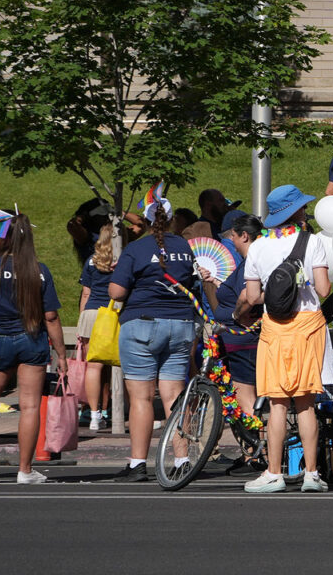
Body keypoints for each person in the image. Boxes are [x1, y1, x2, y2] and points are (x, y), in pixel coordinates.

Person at [238, 185, 332, 494]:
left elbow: (252, 297)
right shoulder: (313, 242)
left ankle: (274, 473)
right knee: (305, 404)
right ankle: (311, 473)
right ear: (297, 212)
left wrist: (276, 294)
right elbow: (323, 290)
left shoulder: (258, 247)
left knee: (277, 405)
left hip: (274, 326)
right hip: (308, 325)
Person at [0, 214, 68, 484]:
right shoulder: (39, 270)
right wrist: (61, 355)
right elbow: (51, 317)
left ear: (2, 238)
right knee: (30, 406)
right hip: (32, 339)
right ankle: (24, 470)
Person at [107, 196, 199, 482]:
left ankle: (137, 464)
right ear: (172, 220)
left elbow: (116, 292)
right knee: (175, 396)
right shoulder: (184, 247)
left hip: (142, 325)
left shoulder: (136, 248)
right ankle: (182, 459)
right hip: (181, 324)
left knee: (142, 399)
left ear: (145, 220)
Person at [202, 213, 264, 421]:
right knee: (249, 398)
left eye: (234, 237)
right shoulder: (250, 262)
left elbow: (248, 295)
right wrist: (216, 282)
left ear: (244, 236)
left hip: (243, 341)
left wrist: (235, 315)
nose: (233, 243)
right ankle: (256, 450)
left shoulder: (251, 263)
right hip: (240, 341)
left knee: (246, 398)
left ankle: (254, 452)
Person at [77, 221, 118, 431]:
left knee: (92, 367)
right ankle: (118, 411)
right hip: (113, 315)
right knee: (119, 366)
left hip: (91, 314)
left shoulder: (91, 261)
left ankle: (93, 416)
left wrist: (80, 322)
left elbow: (86, 293)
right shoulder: (123, 261)